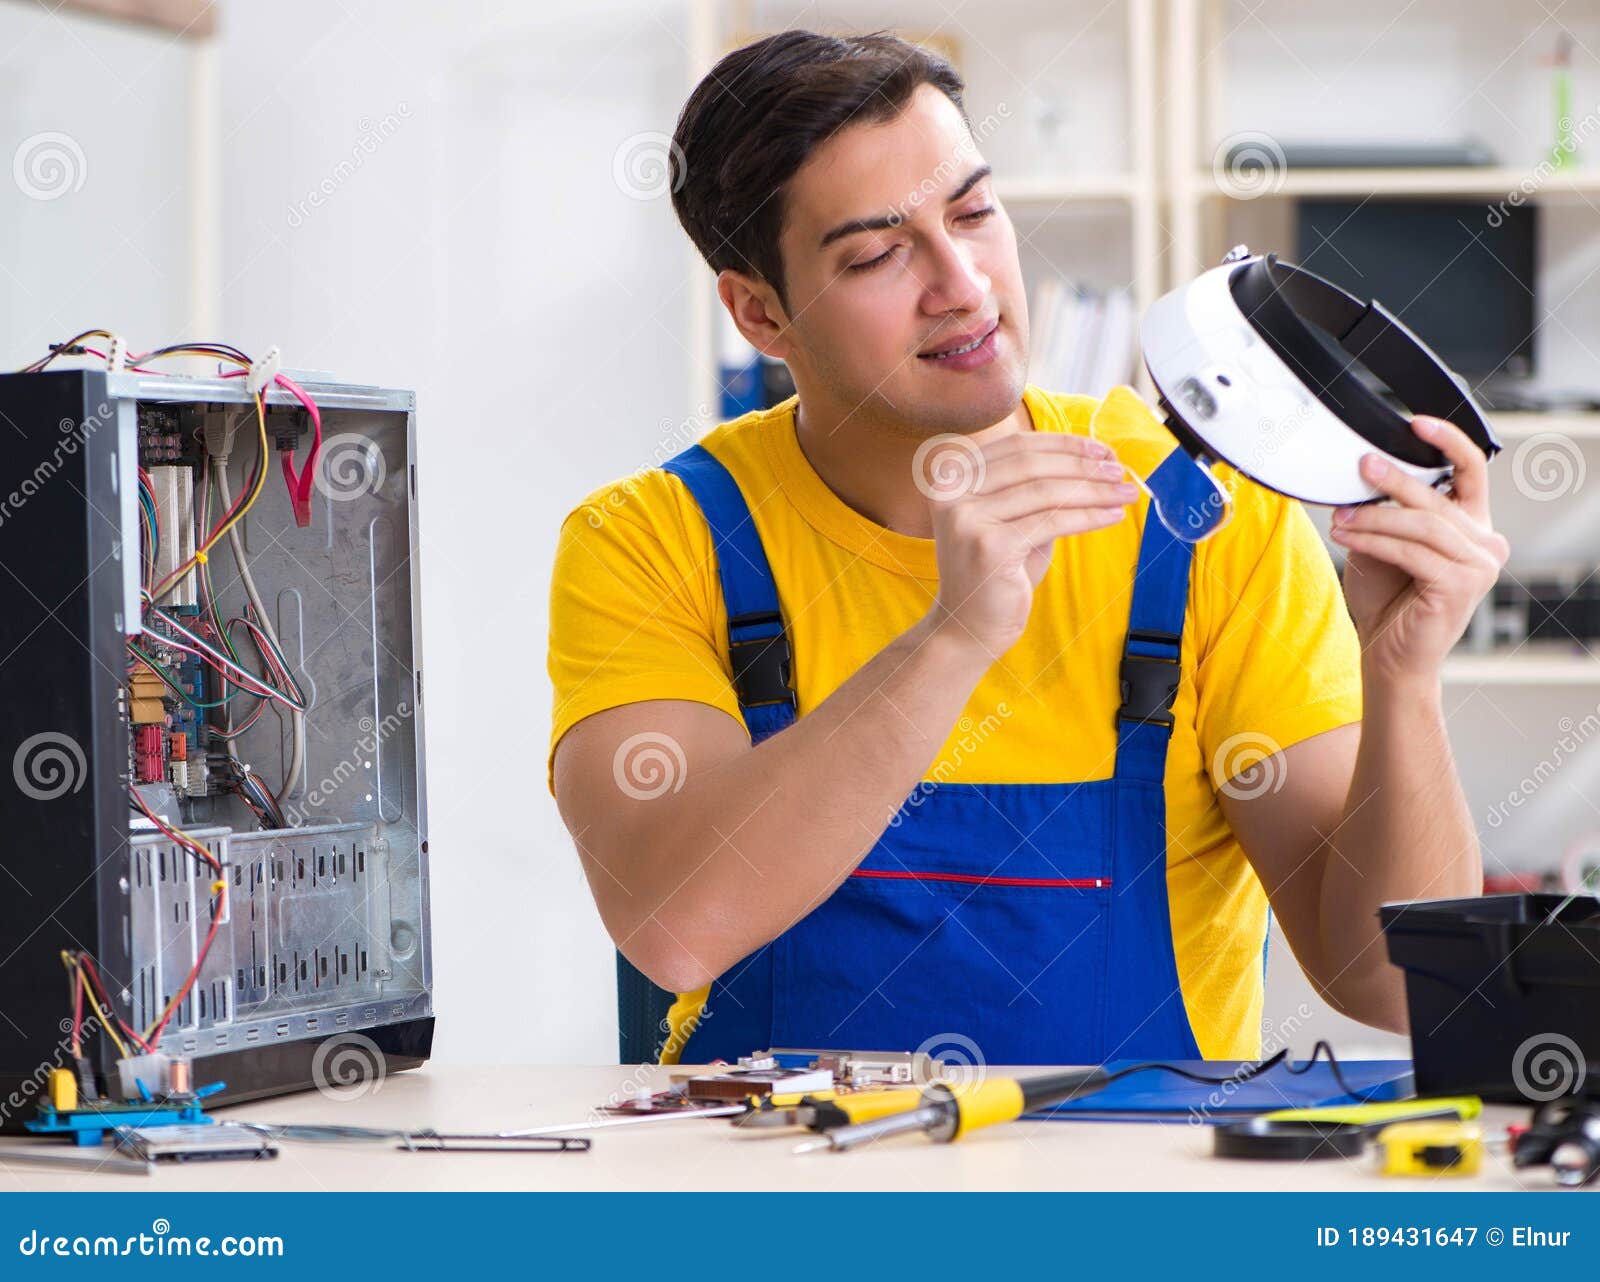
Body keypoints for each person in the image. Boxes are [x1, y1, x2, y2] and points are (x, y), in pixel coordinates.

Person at [547, 30, 1508, 1066]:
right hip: (780, 1198)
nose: (961, 284)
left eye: (972, 213)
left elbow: (1394, 986)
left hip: (1132, 1200)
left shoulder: (1206, 520)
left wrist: (1401, 678)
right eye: (876, 254)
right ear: (759, 312)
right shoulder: (651, 539)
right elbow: (676, 927)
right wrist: (950, 640)